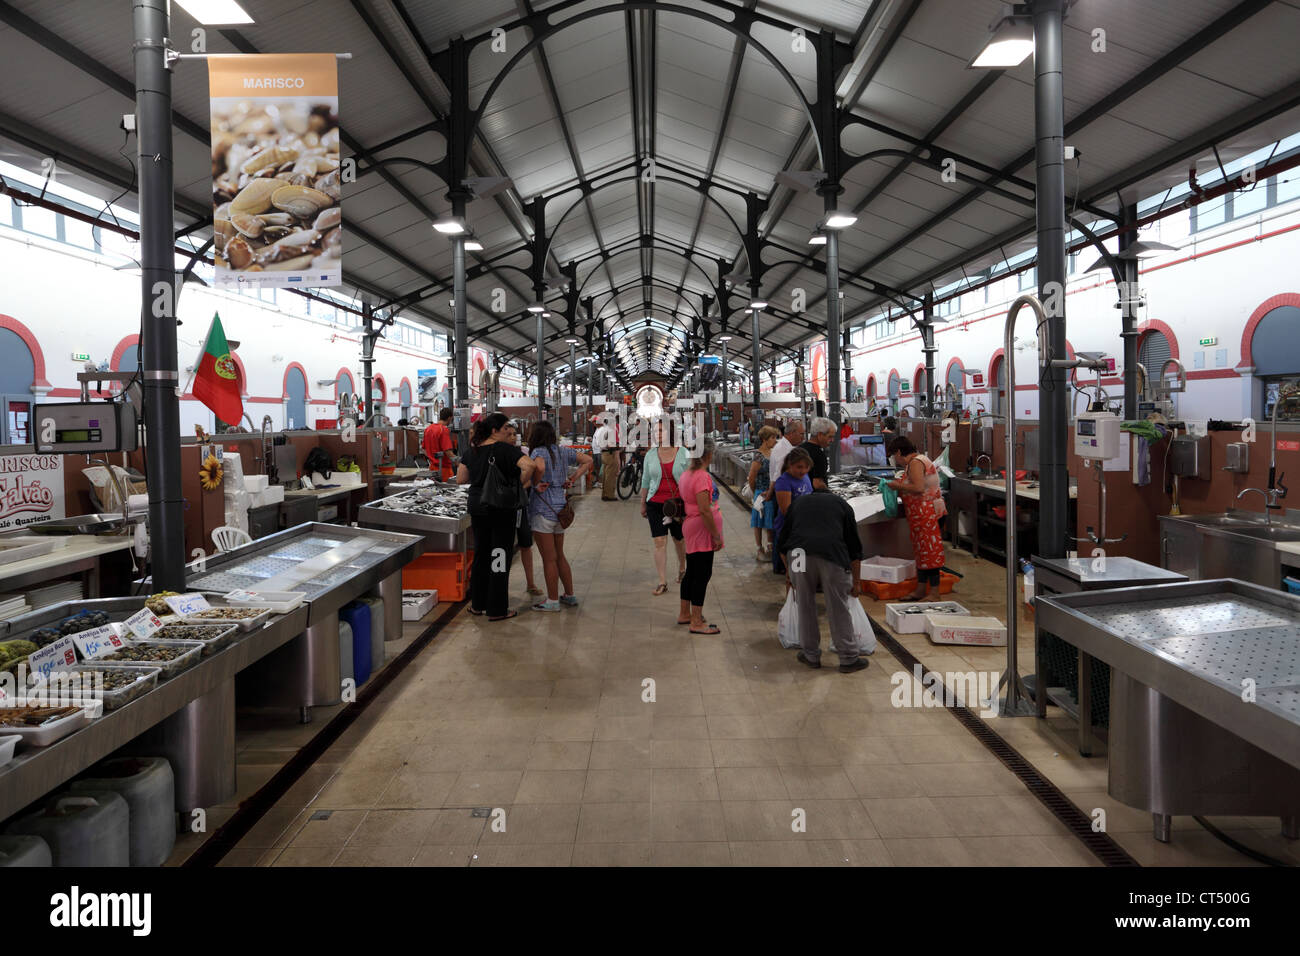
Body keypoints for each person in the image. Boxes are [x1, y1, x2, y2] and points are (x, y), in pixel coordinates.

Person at [457, 412, 538, 621]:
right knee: (499, 556)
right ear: (495, 430)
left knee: (481, 555)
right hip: (501, 508)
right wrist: (516, 485)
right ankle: (497, 608)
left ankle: (477, 604)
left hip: (477, 506)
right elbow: (530, 465)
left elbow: (460, 479)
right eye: (505, 430)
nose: (508, 434)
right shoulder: (505, 450)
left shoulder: (472, 451)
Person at [778, 488, 868, 673]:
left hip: (798, 554)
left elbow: (782, 543)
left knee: (804, 603)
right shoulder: (843, 505)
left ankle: (810, 654)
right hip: (832, 554)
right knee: (838, 605)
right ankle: (848, 658)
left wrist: (790, 574)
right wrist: (856, 582)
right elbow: (854, 548)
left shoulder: (798, 504)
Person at [526, 421, 592, 611]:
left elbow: (539, 467)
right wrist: (572, 478)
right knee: (559, 555)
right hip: (560, 509)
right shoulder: (563, 451)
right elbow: (588, 460)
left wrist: (536, 483)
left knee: (549, 559)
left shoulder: (538, 452)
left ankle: (553, 600)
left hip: (542, 510)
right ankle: (569, 595)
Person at [887, 435, 946, 601]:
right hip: (921, 515)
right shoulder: (916, 462)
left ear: (899, 452)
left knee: (930, 553)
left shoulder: (915, 462)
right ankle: (920, 590)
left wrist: (896, 485)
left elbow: (919, 487)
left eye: (894, 456)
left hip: (928, 515)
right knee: (922, 553)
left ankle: (934, 593)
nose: (895, 460)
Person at [678, 437, 724, 634]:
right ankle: (696, 621)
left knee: (691, 572)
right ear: (708, 454)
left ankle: (685, 613)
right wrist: (716, 535)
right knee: (702, 574)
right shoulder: (702, 477)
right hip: (701, 528)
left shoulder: (686, 474)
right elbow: (705, 510)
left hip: (691, 526)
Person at [639, 421, 689, 595]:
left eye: (661, 430)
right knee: (659, 541)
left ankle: (682, 567)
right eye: (655, 431)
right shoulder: (651, 455)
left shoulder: (683, 453)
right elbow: (645, 480)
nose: (657, 433)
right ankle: (662, 581)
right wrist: (643, 502)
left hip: (678, 505)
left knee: (679, 539)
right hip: (655, 504)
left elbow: (691, 479)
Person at [503, 422, 541, 599]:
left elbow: (530, 477)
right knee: (504, 547)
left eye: (513, 434)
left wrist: (518, 489)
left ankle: (531, 583)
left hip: (520, 506)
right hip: (503, 508)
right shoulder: (497, 455)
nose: (512, 437)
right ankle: (502, 585)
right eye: (508, 434)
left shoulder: (524, 454)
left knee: (526, 544)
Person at [771, 446, 814, 574]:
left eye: (806, 467)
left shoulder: (805, 477)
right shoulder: (783, 482)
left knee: (803, 570)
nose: (803, 471)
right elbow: (786, 511)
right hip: (789, 529)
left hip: (804, 528)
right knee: (794, 572)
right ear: (790, 465)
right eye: (799, 467)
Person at [745, 425, 780, 560]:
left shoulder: (773, 453)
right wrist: (756, 493)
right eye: (772, 438)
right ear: (765, 439)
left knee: (770, 520)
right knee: (759, 522)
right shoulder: (759, 456)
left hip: (771, 493)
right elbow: (752, 477)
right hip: (761, 492)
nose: (775, 440)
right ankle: (759, 548)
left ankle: (770, 545)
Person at [801, 416, 836, 491]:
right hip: (814, 498)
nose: (832, 440)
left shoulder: (799, 449)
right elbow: (817, 484)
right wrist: (832, 496)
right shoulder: (819, 454)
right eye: (830, 437)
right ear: (820, 435)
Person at [768, 418, 805, 485]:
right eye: (801, 434)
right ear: (791, 433)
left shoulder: (789, 447)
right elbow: (778, 477)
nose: (803, 438)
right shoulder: (783, 450)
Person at [423, 408, 456, 480]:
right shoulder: (443, 430)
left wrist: (432, 459)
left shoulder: (428, 429)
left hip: (432, 468)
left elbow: (424, 449)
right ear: (449, 418)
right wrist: (458, 462)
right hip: (444, 470)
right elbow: (448, 451)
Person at [592, 414, 620, 501]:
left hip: (603, 454)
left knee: (605, 475)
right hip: (610, 454)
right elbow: (610, 444)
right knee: (610, 475)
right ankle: (609, 495)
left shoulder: (600, 430)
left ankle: (605, 494)